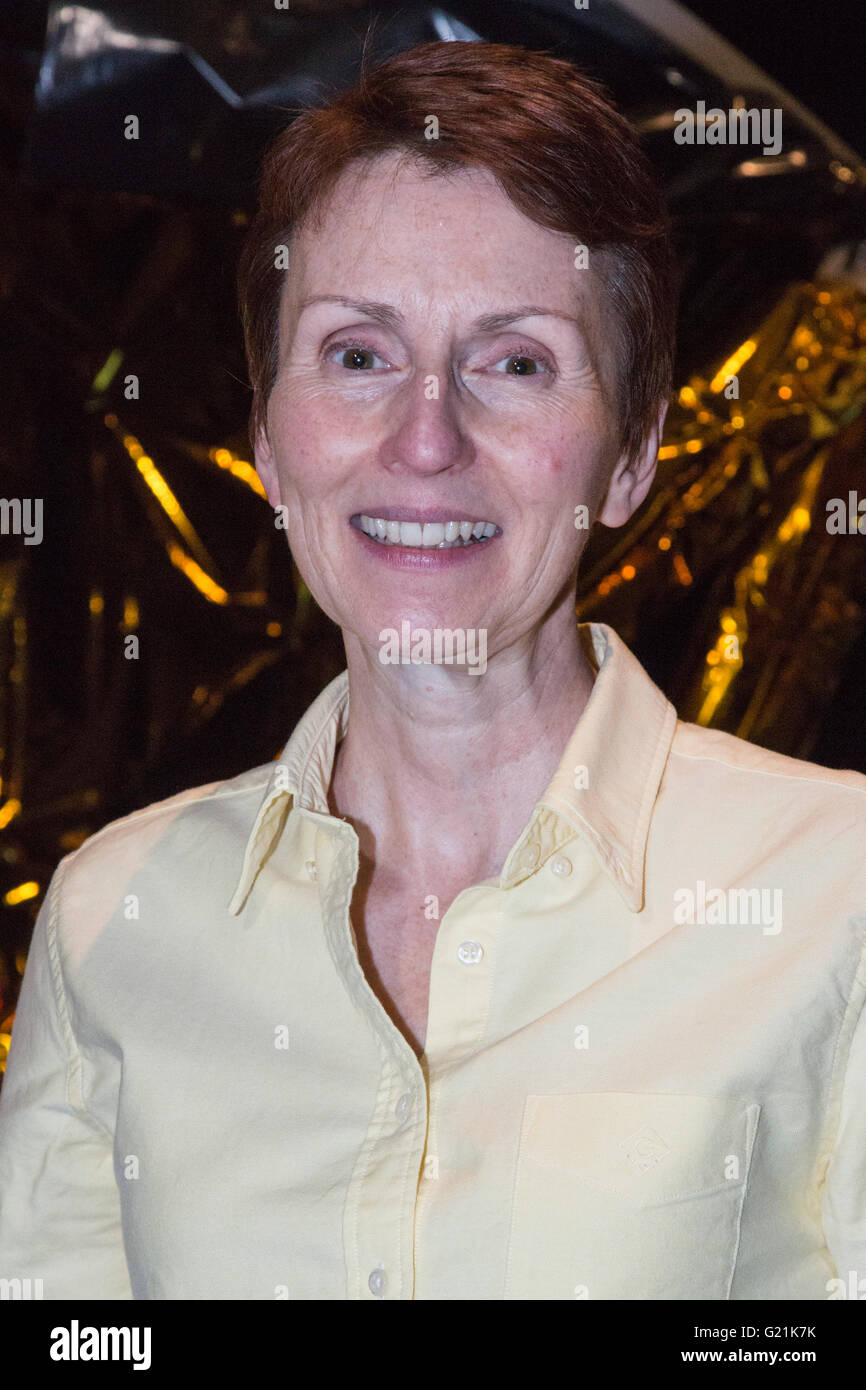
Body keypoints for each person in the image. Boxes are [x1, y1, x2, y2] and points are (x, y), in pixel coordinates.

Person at [0, 39, 863, 1302]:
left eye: (514, 361)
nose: (424, 436)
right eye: (358, 354)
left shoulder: (833, 890)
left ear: (629, 454)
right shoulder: (112, 920)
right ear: (269, 440)